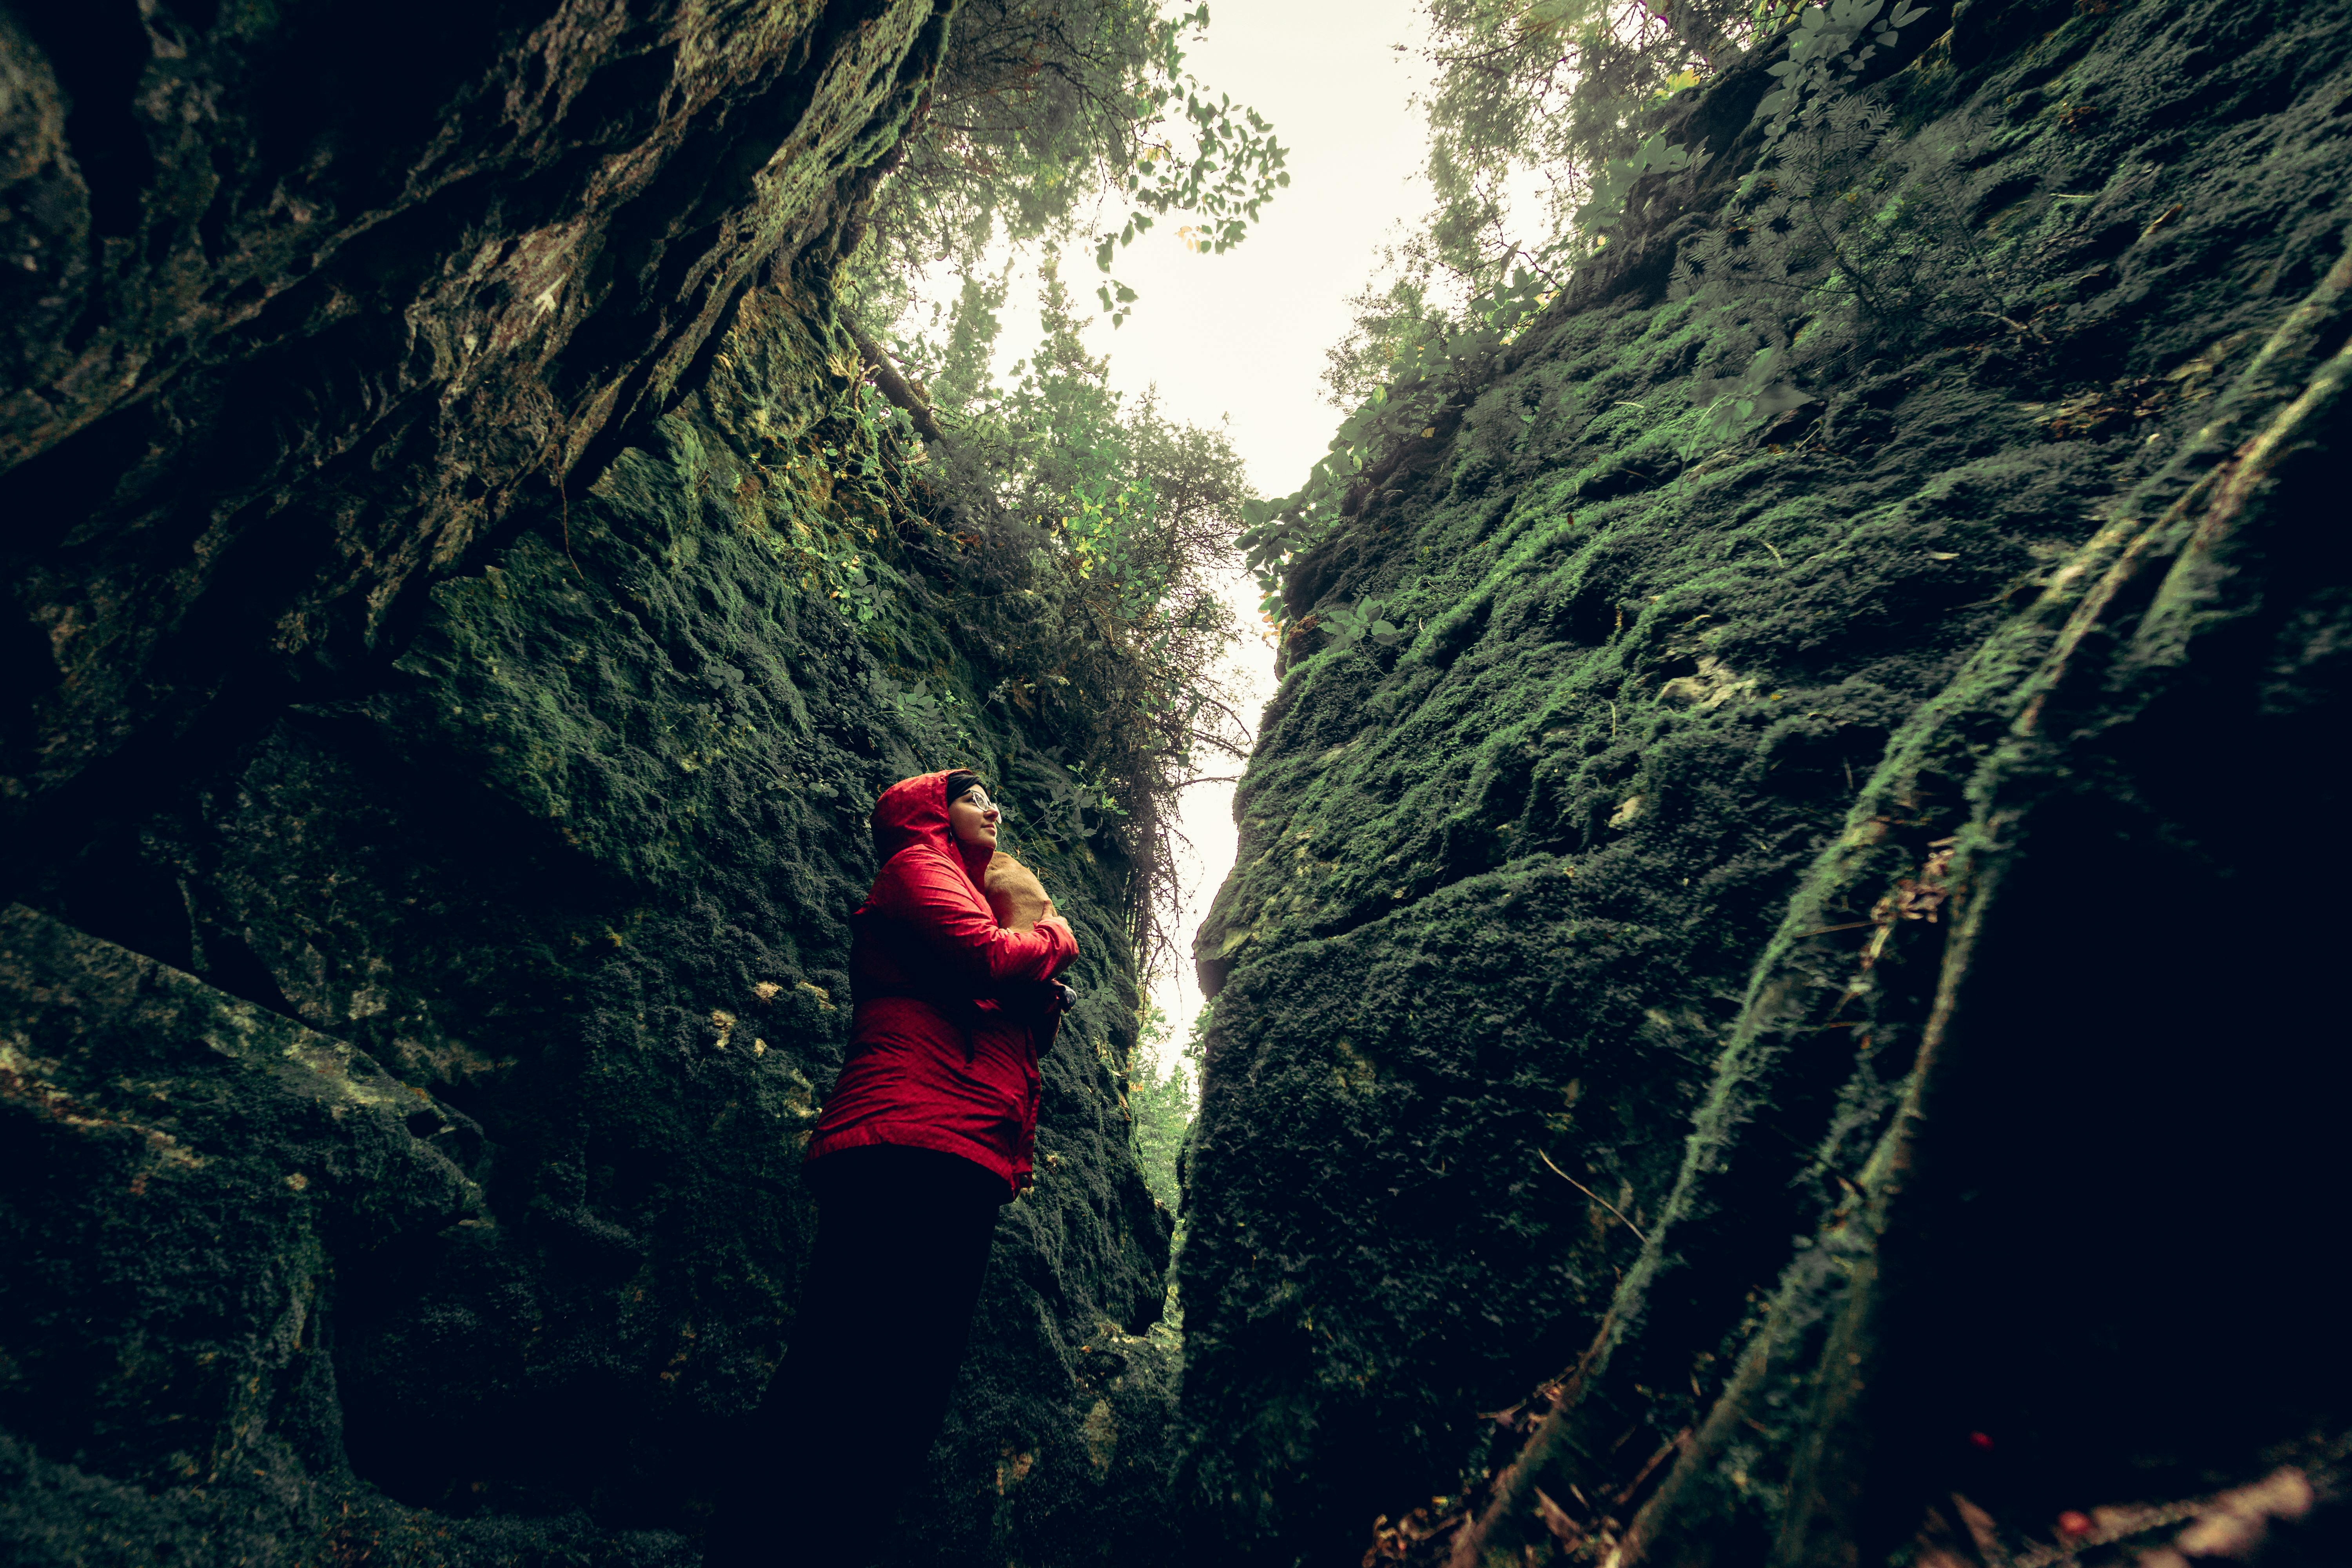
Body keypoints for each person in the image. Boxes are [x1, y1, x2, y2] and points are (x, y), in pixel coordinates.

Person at [705, 769, 1076, 1566]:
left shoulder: (983, 896)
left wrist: (1032, 960)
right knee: (842, 1358)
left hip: (968, 1153)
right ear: (936, 808)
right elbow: (984, 964)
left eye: (996, 799)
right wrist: (1056, 935)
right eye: (975, 797)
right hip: (900, 1139)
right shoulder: (916, 866)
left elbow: (1023, 1032)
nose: (994, 808)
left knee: (913, 1388)